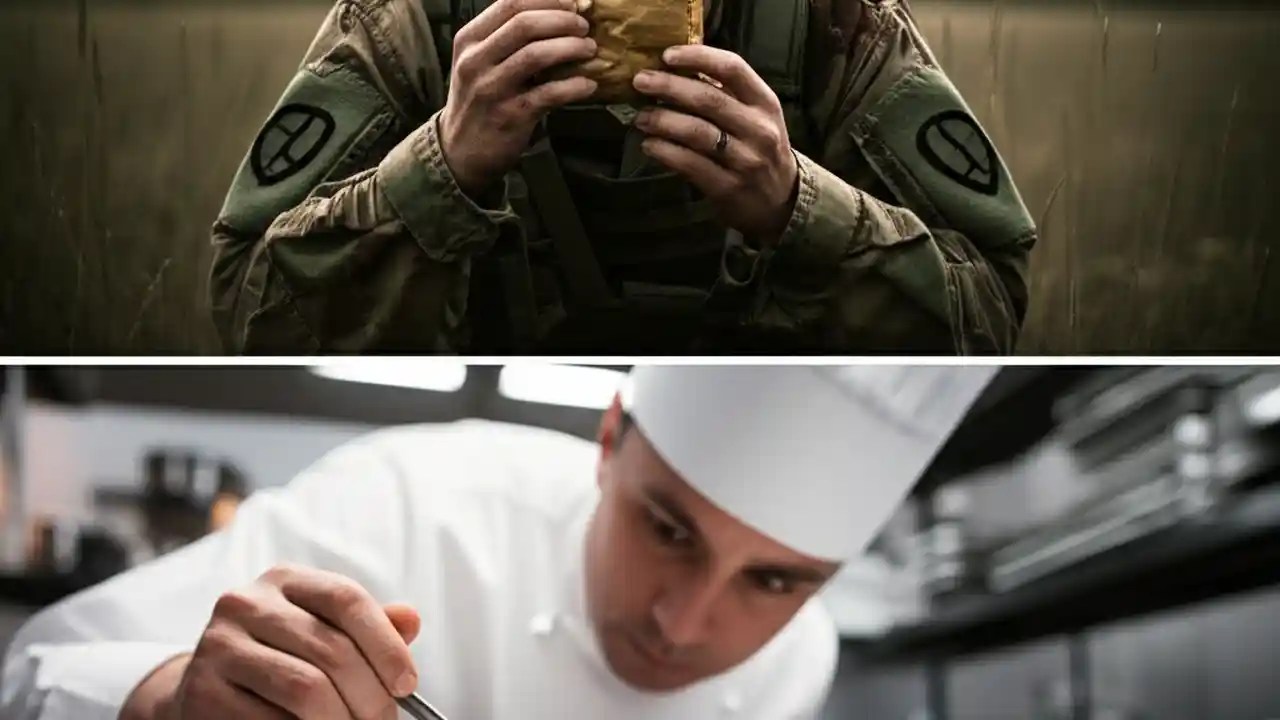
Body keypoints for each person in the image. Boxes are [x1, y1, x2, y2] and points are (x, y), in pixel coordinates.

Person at [1, 365, 995, 719]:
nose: (682, 623)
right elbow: (35, 673)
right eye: (665, 528)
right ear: (609, 441)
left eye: (775, 581)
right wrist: (168, 703)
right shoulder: (407, 499)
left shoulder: (798, 666)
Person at [208, 0, 1037, 354]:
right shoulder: (415, 23)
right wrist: (441, 167)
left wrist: (798, 206)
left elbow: (989, 312)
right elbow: (247, 309)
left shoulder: (829, 22)